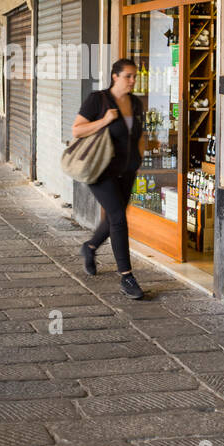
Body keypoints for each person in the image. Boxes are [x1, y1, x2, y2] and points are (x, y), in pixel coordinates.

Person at [71, 59, 146, 299]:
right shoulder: (98, 99)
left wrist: (140, 158)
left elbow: (139, 135)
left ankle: (90, 247)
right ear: (115, 76)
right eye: (128, 76)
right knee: (118, 218)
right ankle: (127, 277)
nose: (133, 81)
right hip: (99, 170)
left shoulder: (135, 103)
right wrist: (105, 120)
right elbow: (77, 130)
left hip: (127, 170)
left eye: (135, 76)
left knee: (116, 216)